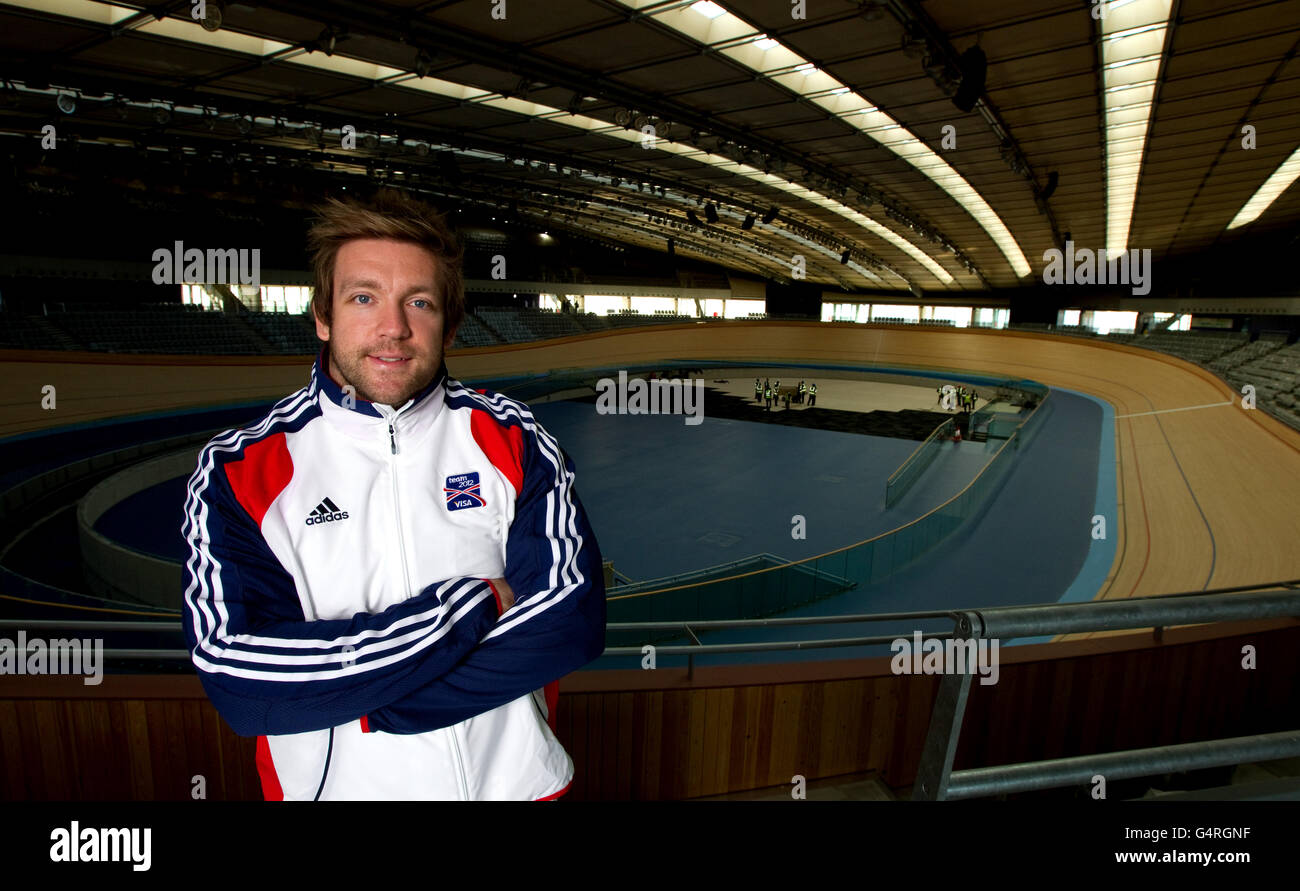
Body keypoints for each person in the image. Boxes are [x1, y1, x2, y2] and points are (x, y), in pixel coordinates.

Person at [181, 190, 606, 801]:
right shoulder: (237, 472)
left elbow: (571, 621)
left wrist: (374, 708)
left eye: (420, 303)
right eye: (363, 298)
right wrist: (468, 606)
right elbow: (242, 679)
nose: (393, 328)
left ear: (450, 324)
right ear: (322, 317)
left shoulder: (513, 438)